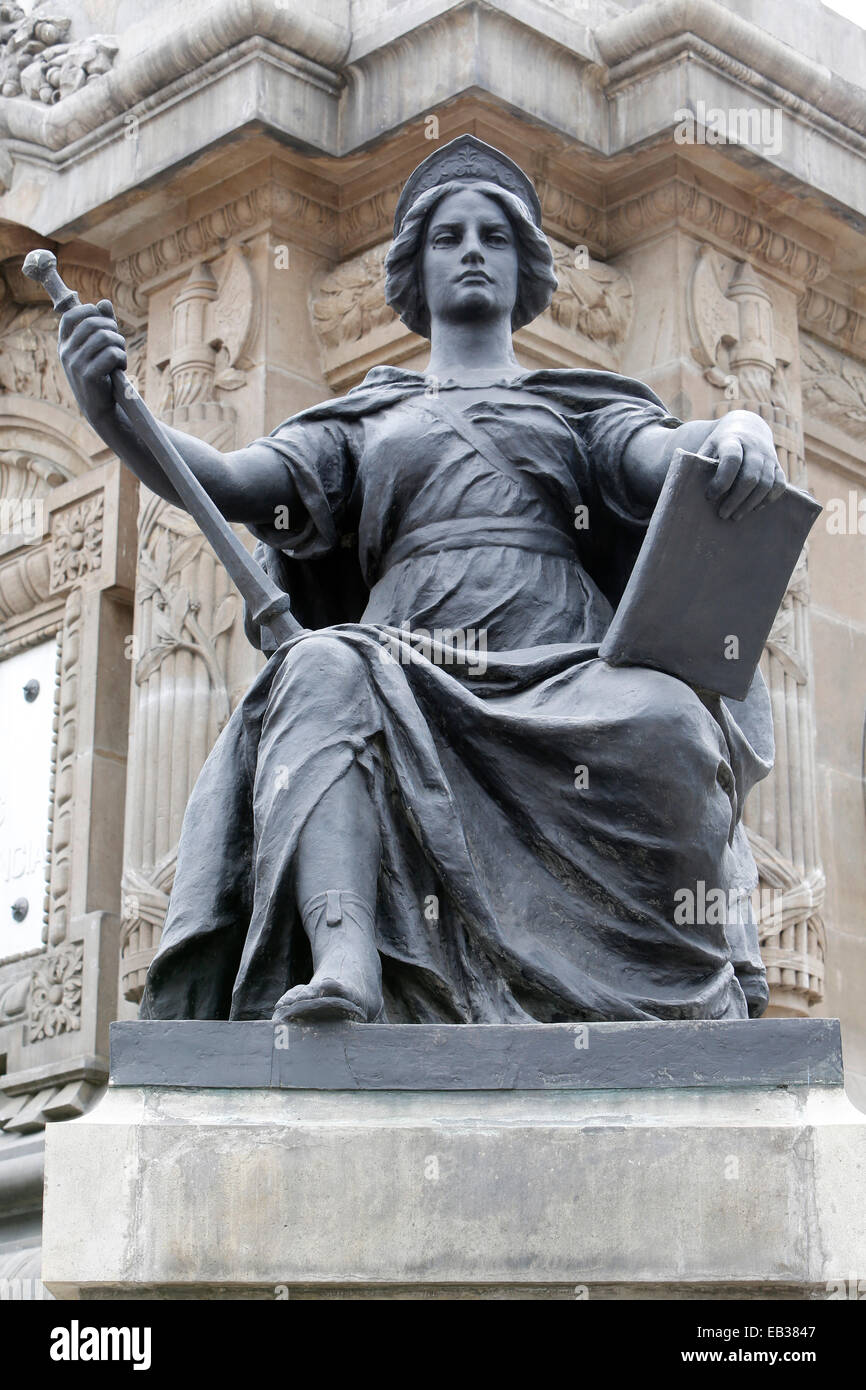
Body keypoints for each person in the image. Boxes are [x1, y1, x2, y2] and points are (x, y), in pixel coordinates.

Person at [57, 136, 784, 1025]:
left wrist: (735, 427)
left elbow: (658, 458)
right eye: (448, 236)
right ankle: (345, 963)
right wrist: (114, 414)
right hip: (404, 661)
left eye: (494, 235)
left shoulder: (578, 406)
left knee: (672, 722)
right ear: (415, 266)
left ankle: (682, 1000)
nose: (473, 249)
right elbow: (237, 483)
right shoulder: (364, 419)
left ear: (525, 267)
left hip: (563, 666)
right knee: (319, 670)